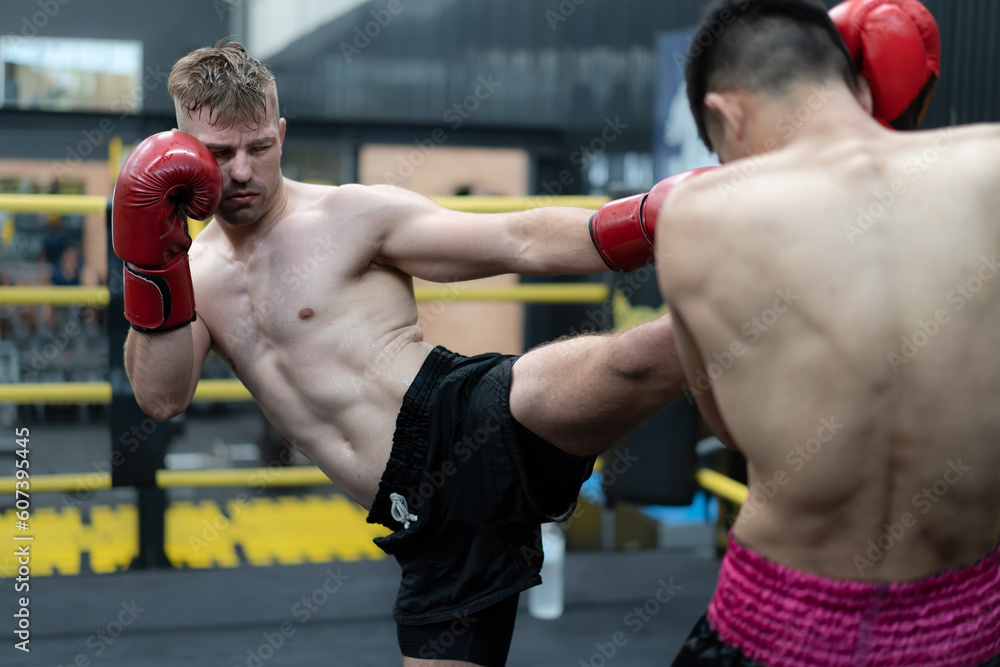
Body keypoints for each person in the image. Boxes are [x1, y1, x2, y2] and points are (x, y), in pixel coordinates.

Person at [112, 40, 695, 667]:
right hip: (421, 523)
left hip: (463, 417)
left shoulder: (352, 215)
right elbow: (161, 396)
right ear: (183, 151)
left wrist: (647, 222)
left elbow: (516, 239)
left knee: (640, 357)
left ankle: (769, 270)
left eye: (260, 146)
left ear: (281, 133)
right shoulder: (191, 275)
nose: (245, 171)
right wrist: (154, 259)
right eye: (221, 154)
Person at [655, 0, 1000, 665]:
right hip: (973, 633)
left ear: (727, 114)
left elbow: (728, 426)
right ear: (864, 87)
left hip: (775, 631)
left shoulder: (696, 216)